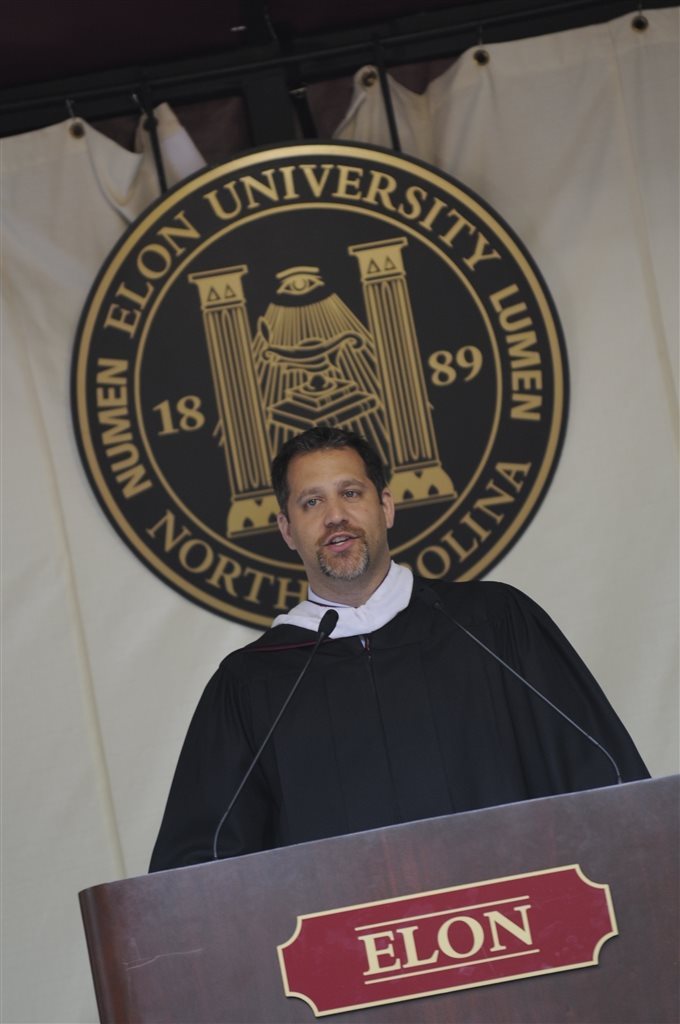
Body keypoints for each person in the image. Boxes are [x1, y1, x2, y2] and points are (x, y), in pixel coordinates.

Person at [149, 426, 649, 871]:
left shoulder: (494, 624)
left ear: (385, 506)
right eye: (311, 502)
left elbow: (609, 786)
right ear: (286, 530)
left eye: (350, 492)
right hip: (354, 967)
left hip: (525, 944)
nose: (335, 516)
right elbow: (199, 875)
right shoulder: (251, 686)